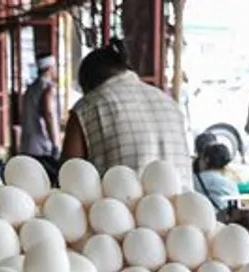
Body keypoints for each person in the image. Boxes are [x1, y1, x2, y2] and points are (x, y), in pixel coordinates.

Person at [61, 40, 192, 186]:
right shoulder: (170, 103)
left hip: (123, 207)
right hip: (182, 206)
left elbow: (68, 177)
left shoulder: (88, 106)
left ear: (88, 84)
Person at [20, 55, 61, 165]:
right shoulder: (48, 88)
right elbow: (49, 114)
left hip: (27, 146)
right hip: (43, 147)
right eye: (55, 67)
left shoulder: (30, 88)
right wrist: (56, 144)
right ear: (49, 69)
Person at [194, 142, 238, 213]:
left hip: (202, 219)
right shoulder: (231, 184)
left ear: (206, 159)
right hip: (224, 220)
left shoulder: (194, 180)